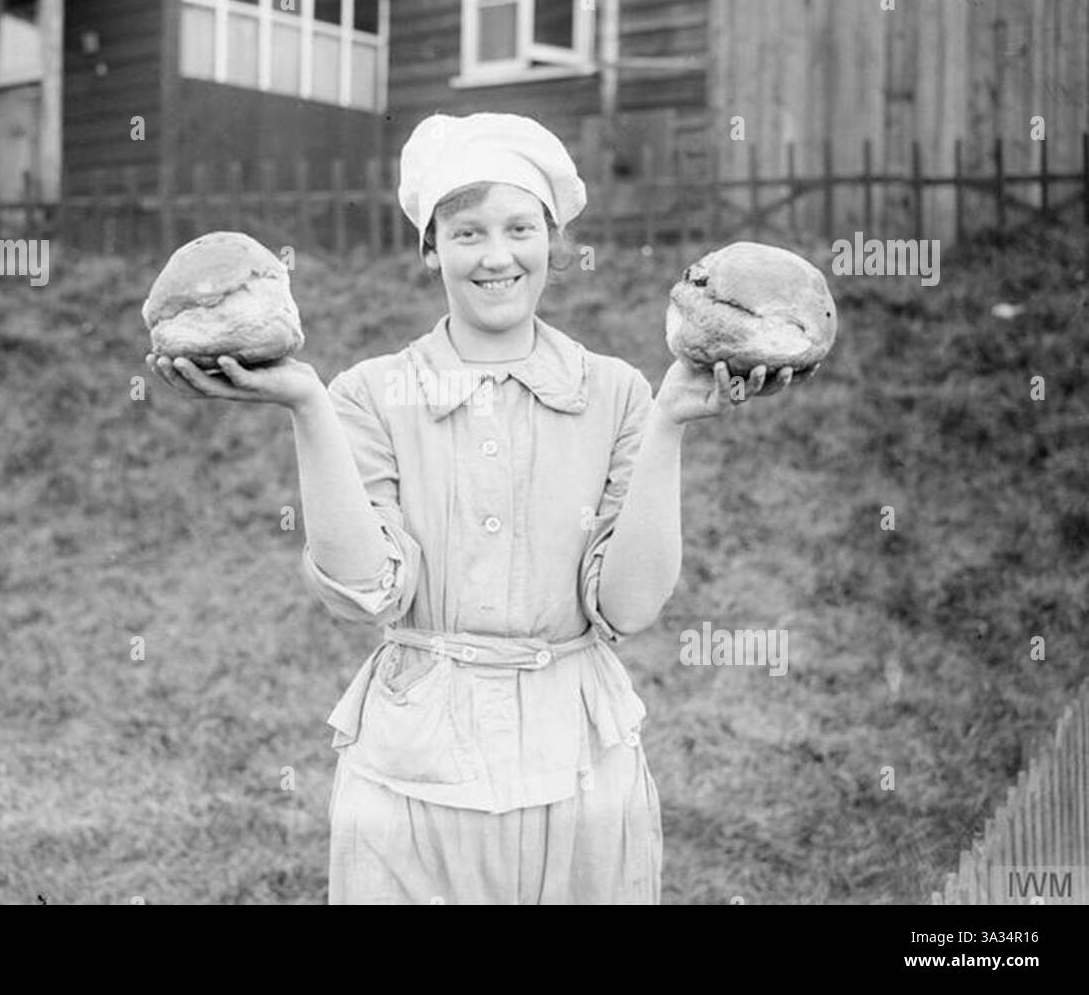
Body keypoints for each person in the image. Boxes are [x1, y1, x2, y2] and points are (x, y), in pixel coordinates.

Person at [147, 112, 805, 904]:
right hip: (410, 779)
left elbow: (627, 608)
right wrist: (308, 408)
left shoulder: (619, 393)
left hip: (580, 771)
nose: (498, 255)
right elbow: (370, 593)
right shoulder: (369, 394)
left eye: (520, 227)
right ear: (431, 249)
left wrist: (668, 424)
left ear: (552, 240)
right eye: (466, 233)